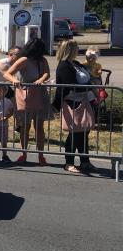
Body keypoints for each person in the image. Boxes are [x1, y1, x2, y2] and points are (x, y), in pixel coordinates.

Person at [3, 37, 51, 165]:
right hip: (26, 96)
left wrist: (42, 79)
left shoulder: (42, 60)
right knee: (25, 126)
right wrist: (14, 80)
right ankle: (23, 154)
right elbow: (7, 73)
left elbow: (47, 73)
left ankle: (41, 156)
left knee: (39, 127)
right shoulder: (24, 60)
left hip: (40, 95)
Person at [52, 39, 95, 174]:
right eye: (76, 48)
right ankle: (69, 162)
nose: (78, 50)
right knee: (75, 134)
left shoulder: (75, 63)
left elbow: (87, 78)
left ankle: (85, 161)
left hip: (85, 102)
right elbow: (69, 86)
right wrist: (88, 86)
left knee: (84, 133)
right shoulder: (64, 66)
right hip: (73, 104)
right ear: (70, 50)